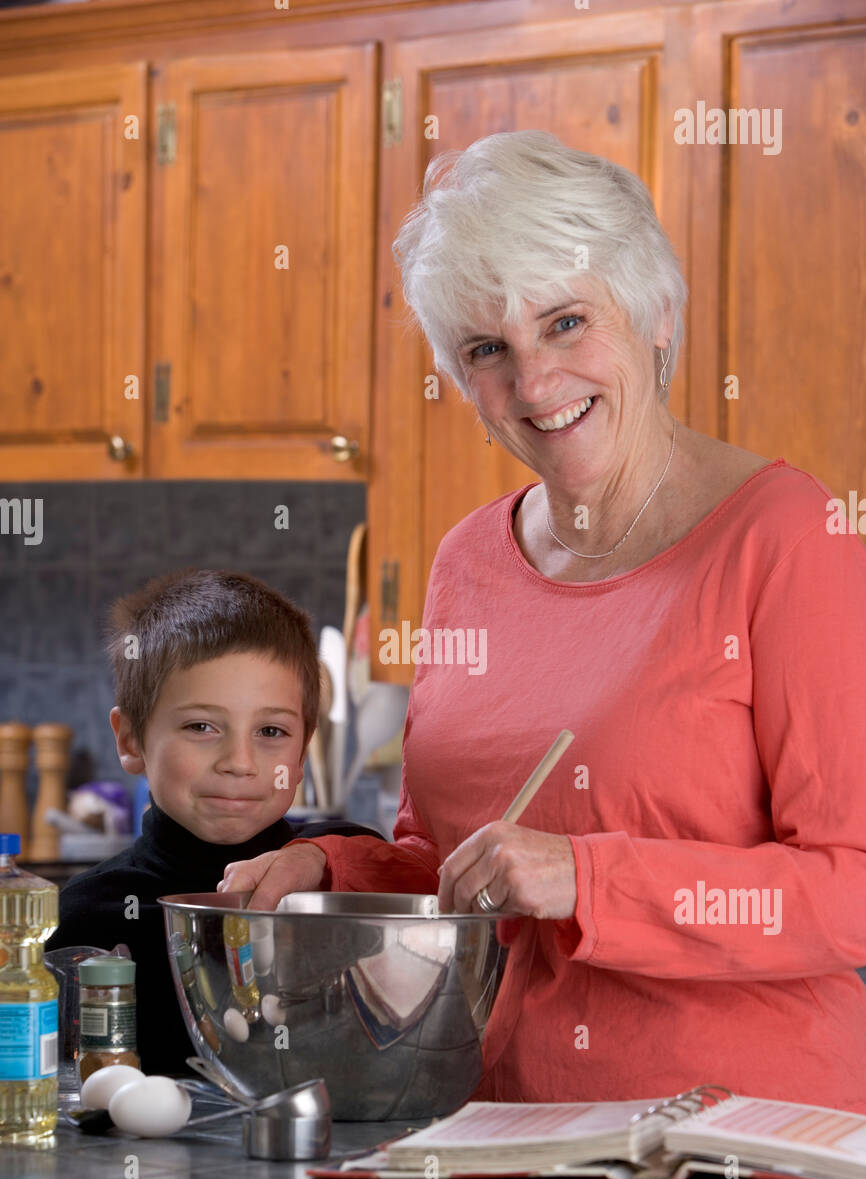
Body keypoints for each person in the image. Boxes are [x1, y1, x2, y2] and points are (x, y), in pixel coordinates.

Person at [219, 131, 866, 1114]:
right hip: (494, 1129)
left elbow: (849, 887)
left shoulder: (785, 537)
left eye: (566, 322)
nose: (532, 383)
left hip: (732, 1150)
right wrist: (333, 865)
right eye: (487, 350)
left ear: (651, 311)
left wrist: (590, 879)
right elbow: (458, 871)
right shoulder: (465, 561)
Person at [51, 568, 383, 1075]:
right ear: (131, 740)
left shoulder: (344, 881)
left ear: (300, 756)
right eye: (201, 726)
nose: (240, 762)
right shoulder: (76, 920)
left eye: (271, 730)